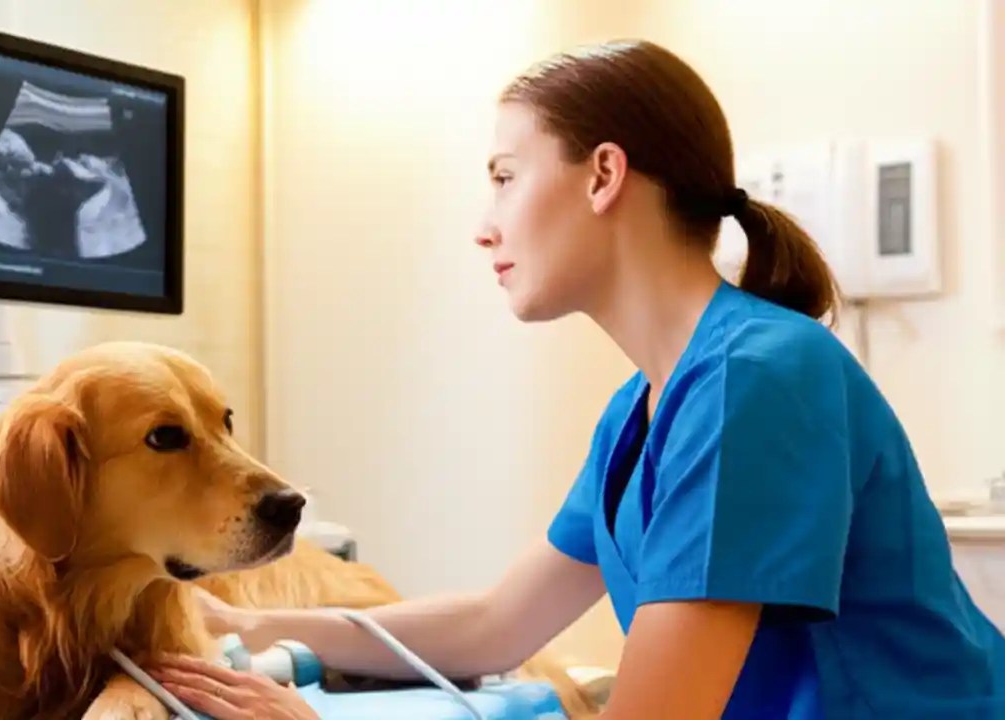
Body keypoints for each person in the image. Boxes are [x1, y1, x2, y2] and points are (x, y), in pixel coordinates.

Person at [148, 39, 1005, 719]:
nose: (485, 228)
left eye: (504, 179)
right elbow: (494, 626)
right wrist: (244, 622)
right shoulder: (646, 406)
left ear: (603, 174)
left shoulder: (754, 382)